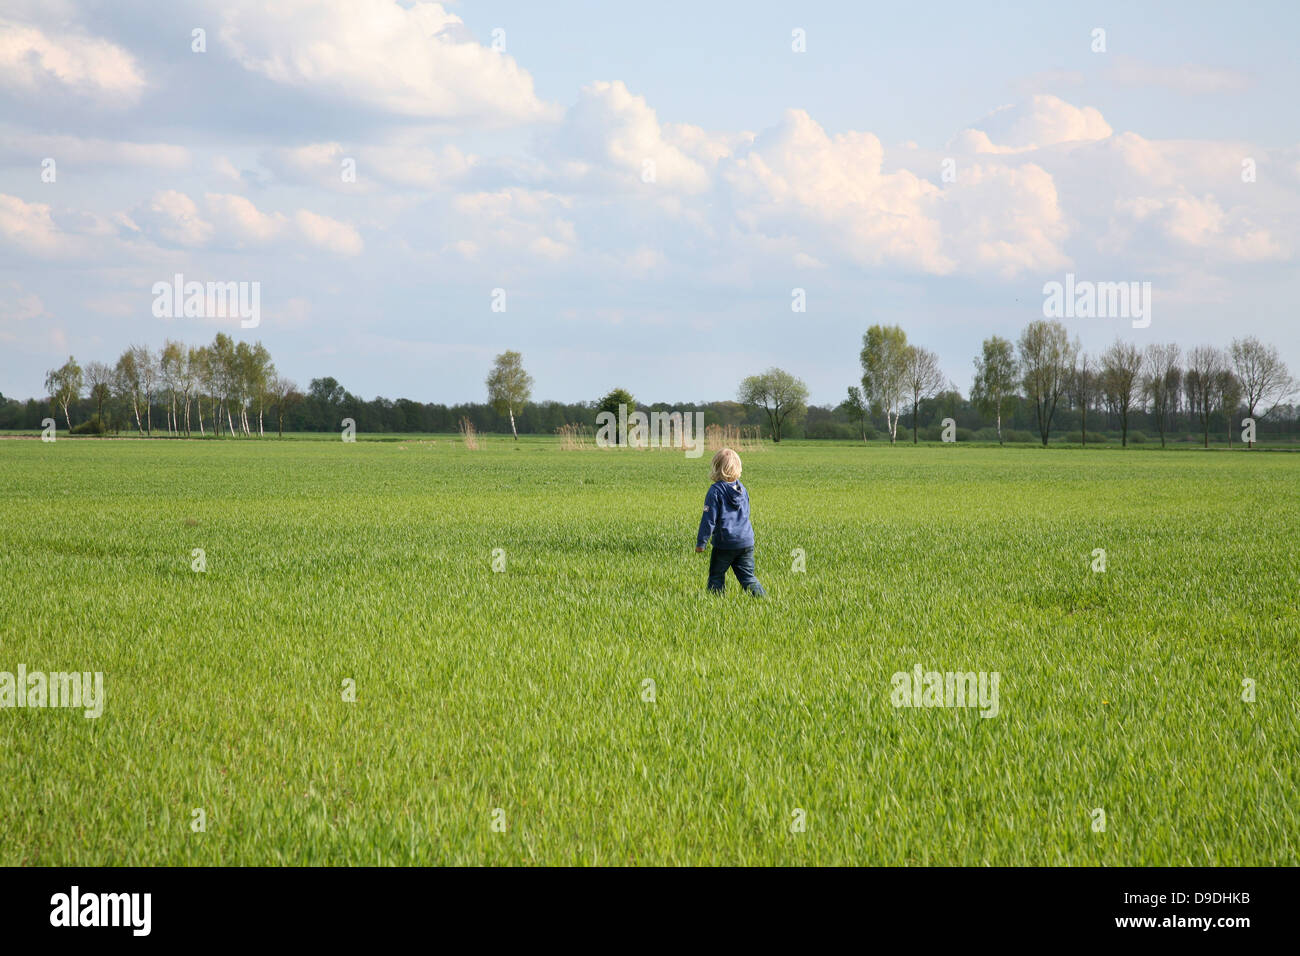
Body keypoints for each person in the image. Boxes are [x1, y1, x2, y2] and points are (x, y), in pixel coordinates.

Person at [695, 447, 766, 597]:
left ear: (716, 468)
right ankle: (763, 598)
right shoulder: (742, 489)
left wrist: (701, 543)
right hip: (746, 541)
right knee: (747, 577)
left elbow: (709, 520)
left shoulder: (715, 491)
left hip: (725, 543)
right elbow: (746, 513)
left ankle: (715, 602)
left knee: (716, 576)